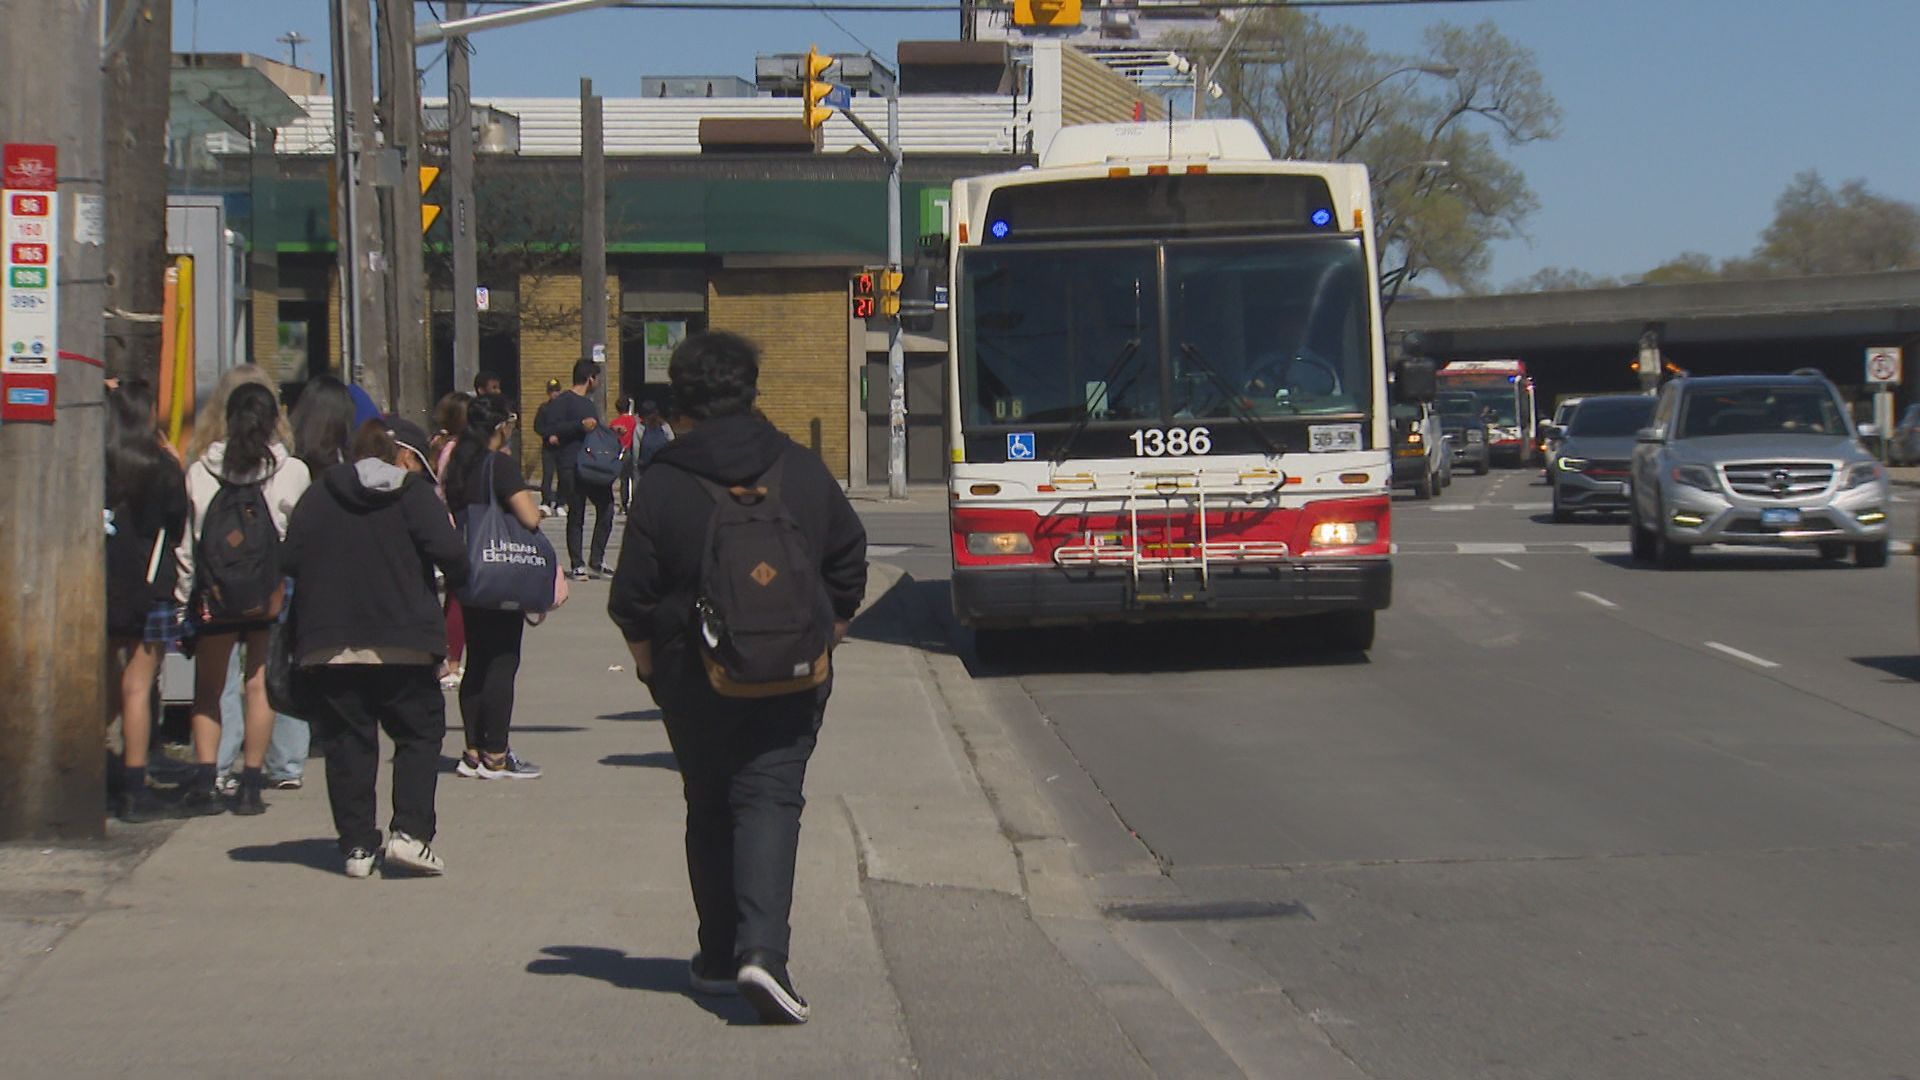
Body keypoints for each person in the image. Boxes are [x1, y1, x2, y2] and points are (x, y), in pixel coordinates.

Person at [608, 331, 867, 1024]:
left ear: (681, 398)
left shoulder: (665, 481)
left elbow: (630, 598)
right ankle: (764, 954)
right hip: (794, 674)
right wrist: (824, 639)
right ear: (751, 389)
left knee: (709, 802)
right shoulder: (800, 468)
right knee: (771, 798)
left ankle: (721, 957)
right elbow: (849, 561)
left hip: (694, 676)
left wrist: (653, 671)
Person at [283, 417, 468, 877]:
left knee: (348, 741)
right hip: (405, 639)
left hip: (332, 642)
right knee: (419, 733)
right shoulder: (414, 495)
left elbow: (289, 557)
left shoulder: (320, 494)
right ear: (399, 456)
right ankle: (410, 834)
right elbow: (452, 554)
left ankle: (357, 847)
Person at [176, 382, 312, 816]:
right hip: (269, 593)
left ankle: (206, 781)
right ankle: (252, 784)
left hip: (214, 592)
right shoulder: (292, 471)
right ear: (274, 420)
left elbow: (187, 544)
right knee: (259, 684)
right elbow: (300, 539)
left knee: (209, 687)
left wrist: (183, 598)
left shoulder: (201, 470)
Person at [443, 394, 546, 780]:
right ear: (501, 426)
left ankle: (472, 750)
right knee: (503, 661)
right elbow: (529, 517)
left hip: (469, 571)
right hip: (501, 571)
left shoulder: (458, 465)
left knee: (478, 660)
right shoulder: (498, 465)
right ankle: (497, 753)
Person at [104, 379, 190, 823]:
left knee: (106, 683)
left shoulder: (100, 460)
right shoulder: (161, 466)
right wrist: (176, 463)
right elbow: (177, 526)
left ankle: (93, 768)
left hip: (102, 585)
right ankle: (135, 786)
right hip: (150, 585)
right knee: (138, 687)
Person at [537, 358, 615, 579]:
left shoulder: (588, 403)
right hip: (571, 464)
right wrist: (578, 426)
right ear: (590, 378)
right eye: (597, 378)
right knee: (576, 512)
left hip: (592, 465)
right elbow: (549, 428)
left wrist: (611, 432)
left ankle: (597, 559)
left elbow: (594, 430)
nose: (598, 383)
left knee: (607, 507)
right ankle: (577, 563)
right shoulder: (563, 401)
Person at [430, 392, 474, 690]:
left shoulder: (445, 447)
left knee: (455, 597)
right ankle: (452, 660)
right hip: (458, 527)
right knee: (459, 597)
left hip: (448, 525)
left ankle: (450, 658)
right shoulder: (458, 450)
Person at [531, 378, 565, 515]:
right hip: (548, 447)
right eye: (552, 391)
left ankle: (560, 503)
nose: (554, 394)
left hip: (562, 446)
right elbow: (538, 426)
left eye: (556, 391)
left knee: (563, 475)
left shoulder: (565, 409)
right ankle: (546, 502)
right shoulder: (544, 408)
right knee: (548, 474)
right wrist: (548, 435)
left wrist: (561, 436)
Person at [609, 396, 639, 514]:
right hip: (633, 451)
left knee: (624, 480)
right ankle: (635, 502)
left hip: (620, 453)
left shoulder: (614, 423)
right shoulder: (635, 421)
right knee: (635, 478)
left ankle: (624, 503)